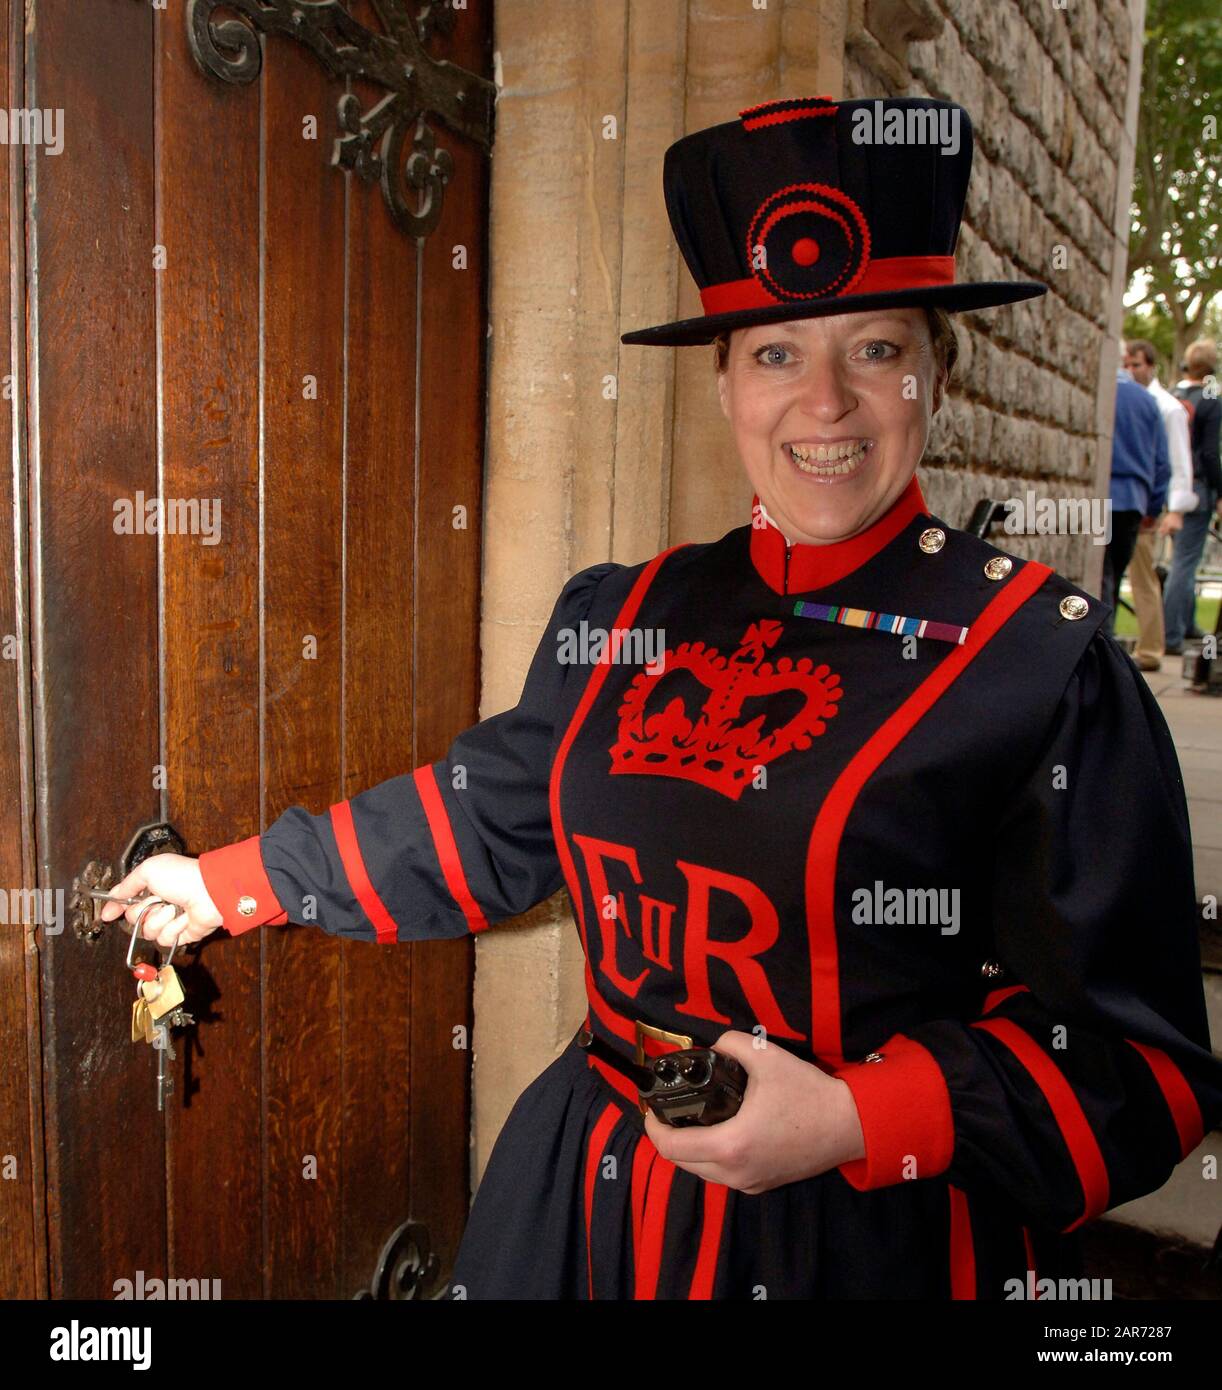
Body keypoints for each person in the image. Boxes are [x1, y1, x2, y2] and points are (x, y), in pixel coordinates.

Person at [99, 95, 1222, 1300]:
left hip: (861, 1239)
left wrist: (853, 1115)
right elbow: (490, 817)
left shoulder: (1041, 671)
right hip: (586, 1202)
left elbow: (1141, 1079)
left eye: (877, 348)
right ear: (726, 382)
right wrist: (230, 880)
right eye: (777, 353)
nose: (825, 401)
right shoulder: (624, 615)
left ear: (934, 376)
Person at [1122, 339, 1195, 670]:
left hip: (1148, 503)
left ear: (1151, 366)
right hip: (1131, 499)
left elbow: (1176, 462)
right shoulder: (1130, 397)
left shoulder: (1167, 407)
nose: (1131, 370)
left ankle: (1151, 650)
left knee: (1144, 577)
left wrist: (1174, 509)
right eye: (1128, 364)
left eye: (1137, 364)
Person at [1104, 354, 1168, 641]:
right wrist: (1154, 507)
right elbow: (1162, 462)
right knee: (1114, 578)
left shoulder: (1105, 391)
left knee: (1099, 578)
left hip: (1099, 496)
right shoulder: (1147, 401)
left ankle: (1099, 650)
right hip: (1133, 500)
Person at [1164, 339, 1222, 655]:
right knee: (1185, 564)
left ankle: (1186, 625)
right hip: (1197, 485)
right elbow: (1211, 452)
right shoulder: (1211, 399)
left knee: (1180, 560)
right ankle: (1172, 635)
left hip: (1169, 485)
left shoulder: (1173, 394)